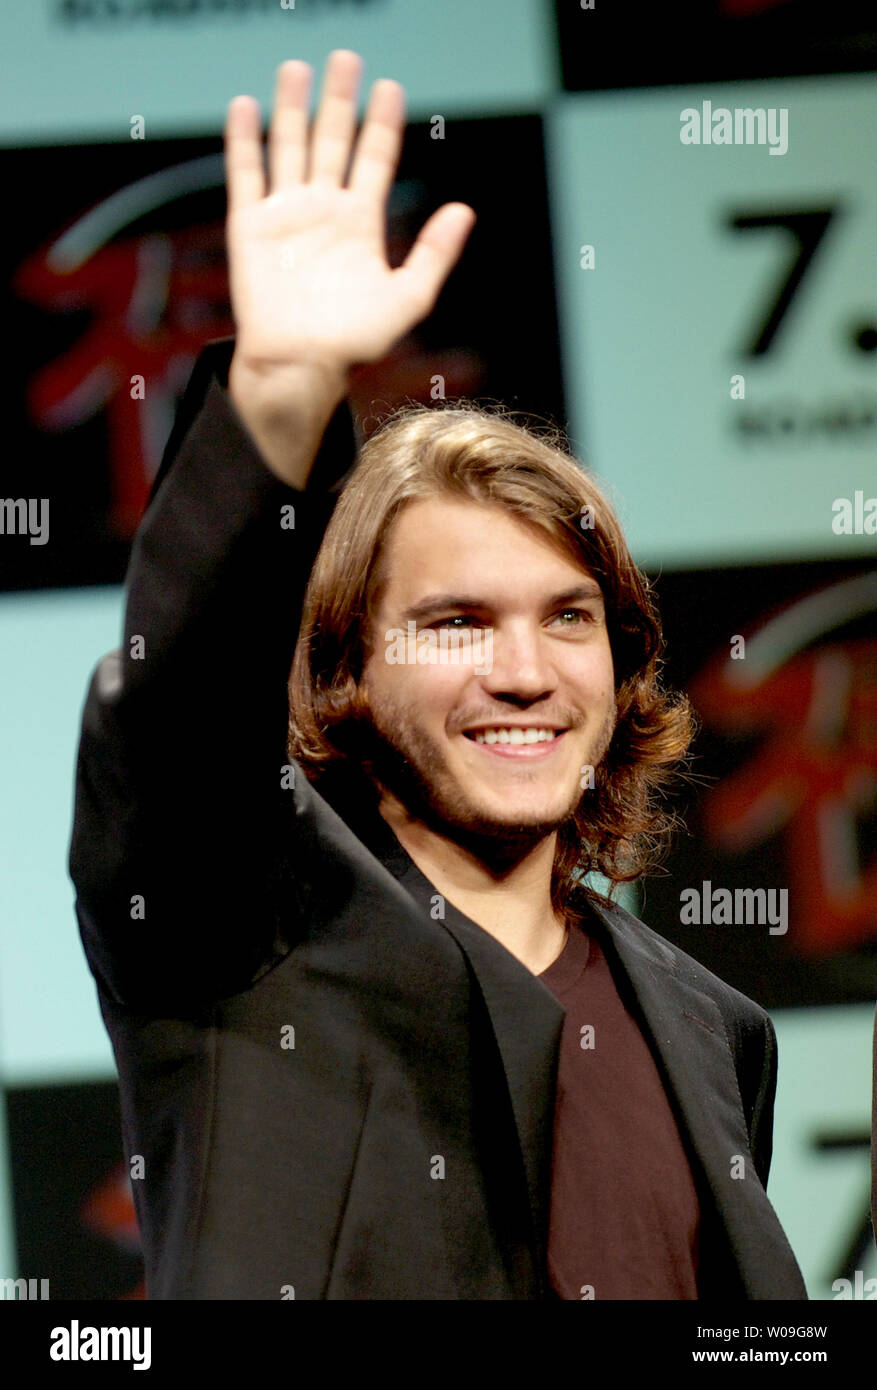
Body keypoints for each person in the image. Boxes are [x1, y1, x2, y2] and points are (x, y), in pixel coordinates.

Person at [69, 49, 807, 1300]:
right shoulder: (237, 924)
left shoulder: (714, 1033)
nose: (525, 672)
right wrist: (286, 387)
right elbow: (176, 710)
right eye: (458, 622)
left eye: (569, 620)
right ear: (348, 661)